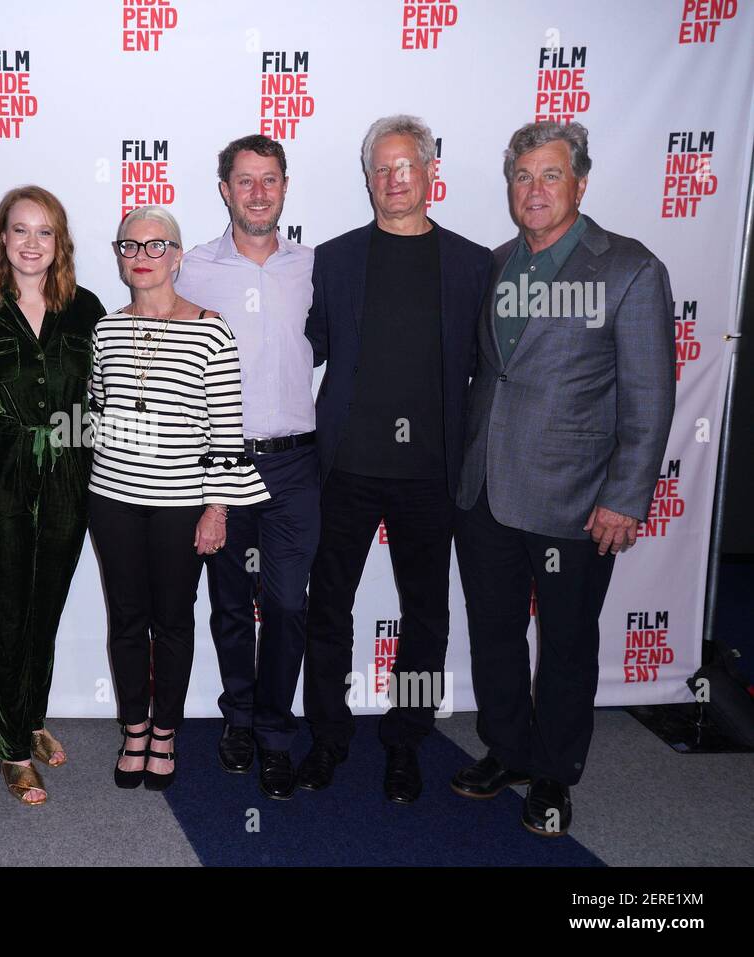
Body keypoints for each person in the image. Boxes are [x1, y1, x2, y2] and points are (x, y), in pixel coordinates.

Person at [453, 121, 675, 836]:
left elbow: (649, 395)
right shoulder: (492, 263)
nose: (535, 190)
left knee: (569, 642)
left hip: (577, 498)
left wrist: (625, 494)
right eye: (523, 176)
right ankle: (508, 748)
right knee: (494, 633)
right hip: (484, 487)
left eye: (551, 175)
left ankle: (554, 772)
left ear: (581, 181)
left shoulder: (630, 268)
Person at [301, 116, 492, 803]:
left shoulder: (474, 265)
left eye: (404, 166)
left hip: (430, 474)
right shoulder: (335, 258)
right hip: (345, 467)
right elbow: (307, 350)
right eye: (380, 168)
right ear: (368, 178)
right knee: (328, 608)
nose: (392, 180)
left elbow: (488, 368)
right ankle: (327, 737)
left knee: (425, 615)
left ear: (431, 173)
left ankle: (406, 739)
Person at [91, 205, 269, 791]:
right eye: (130, 247)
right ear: (119, 256)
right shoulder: (106, 330)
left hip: (179, 505)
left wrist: (216, 508)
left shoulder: (213, 329)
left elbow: (225, 427)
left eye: (155, 245)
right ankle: (133, 728)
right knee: (125, 619)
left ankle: (165, 731)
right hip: (112, 498)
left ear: (178, 254)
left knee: (171, 621)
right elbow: (97, 413)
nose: (142, 258)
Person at [175, 135, 317, 800]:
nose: (258, 192)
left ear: (284, 187)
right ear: (225, 189)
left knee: (287, 605)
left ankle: (275, 732)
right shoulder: (193, 268)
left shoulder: (314, 266)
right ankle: (238, 720)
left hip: (294, 466)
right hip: (222, 464)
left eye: (269, 180)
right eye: (245, 181)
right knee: (231, 606)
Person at [0, 185, 106, 805]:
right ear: (1, 239)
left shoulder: (87, 308)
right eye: (20, 230)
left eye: (44, 232)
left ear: (59, 242)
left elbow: (104, 395)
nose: (32, 243)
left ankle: (33, 717)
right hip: (0, 470)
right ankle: (13, 748)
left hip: (71, 469)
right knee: (2, 613)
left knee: (45, 607)